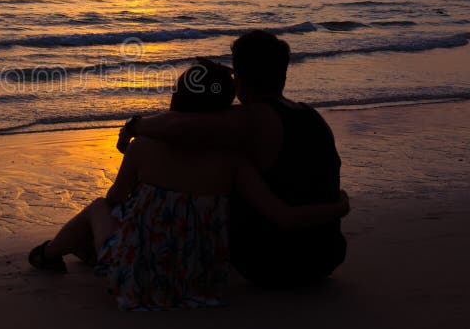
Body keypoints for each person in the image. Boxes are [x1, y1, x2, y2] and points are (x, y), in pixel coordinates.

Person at [29, 60, 350, 310]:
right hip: (202, 280)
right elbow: (282, 215)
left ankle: (48, 253)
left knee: (100, 207)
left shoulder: (143, 147)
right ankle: (82, 250)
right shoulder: (234, 160)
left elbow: (115, 198)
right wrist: (338, 207)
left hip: (138, 281)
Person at [120, 30, 347, 286]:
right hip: (327, 256)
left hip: (270, 262)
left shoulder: (251, 118)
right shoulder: (313, 117)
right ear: (283, 75)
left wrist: (134, 126)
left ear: (240, 78)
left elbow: (178, 126)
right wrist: (337, 209)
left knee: (220, 159)